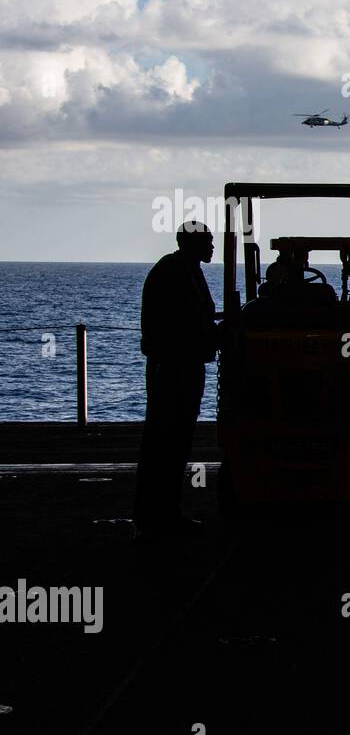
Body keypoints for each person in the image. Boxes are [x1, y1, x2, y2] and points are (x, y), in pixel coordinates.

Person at [133, 221, 219, 540]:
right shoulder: (175, 273)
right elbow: (185, 325)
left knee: (171, 443)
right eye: (208, 241)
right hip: (173, 370)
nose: (212, 247)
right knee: (165, 442)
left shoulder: (182, 270)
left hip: (180, 368)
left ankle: (162, 513)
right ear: (191, 243)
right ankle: (156, 516)